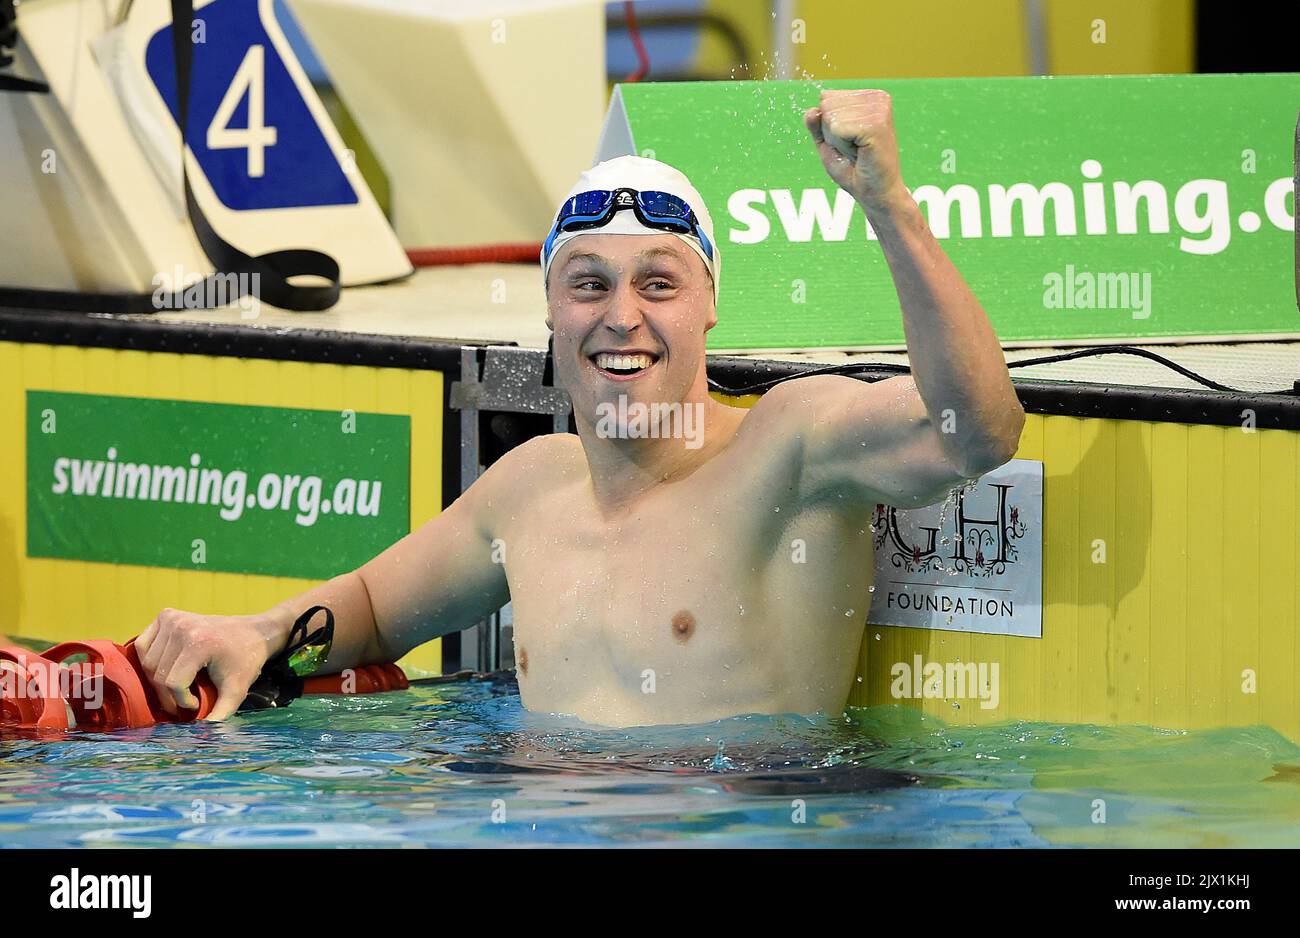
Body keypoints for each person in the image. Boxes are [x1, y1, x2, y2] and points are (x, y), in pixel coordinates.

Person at [135, 90, 1024, 727]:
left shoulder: (785, 450)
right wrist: (254, 633)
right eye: (588, 284)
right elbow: (371, 608)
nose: (621, 317)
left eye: (659, 284)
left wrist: (891, 207)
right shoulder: (530, 488)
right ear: (554, 312)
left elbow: (976, 433)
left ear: (710, 304)